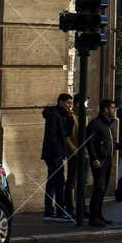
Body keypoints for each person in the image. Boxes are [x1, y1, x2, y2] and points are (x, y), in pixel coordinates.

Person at [39, 93, 75, 222]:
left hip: (57, 153)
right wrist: (57, 154)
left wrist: (70, 118)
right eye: (68, 103)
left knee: (53, 182)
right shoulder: (54, 114)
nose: (70, 105)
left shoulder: (63, 115)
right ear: (60, 101)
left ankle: (50, 211)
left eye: (71, 103)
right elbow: (52, 136)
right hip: (54, 154)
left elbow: (67, 133)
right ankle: (58, 212)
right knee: (59, 182)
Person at [83, 100, 118, 228]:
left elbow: (110, 143)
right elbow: (90, 142)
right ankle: (93, 217)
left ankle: (99, 215)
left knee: (102, 189)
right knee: (99, 188)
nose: (114, 110)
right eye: (113, 108)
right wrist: (95, 158)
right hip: (100, 161)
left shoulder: (108, 124)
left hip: (108, 160)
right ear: (105, 109)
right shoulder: (95, 124)